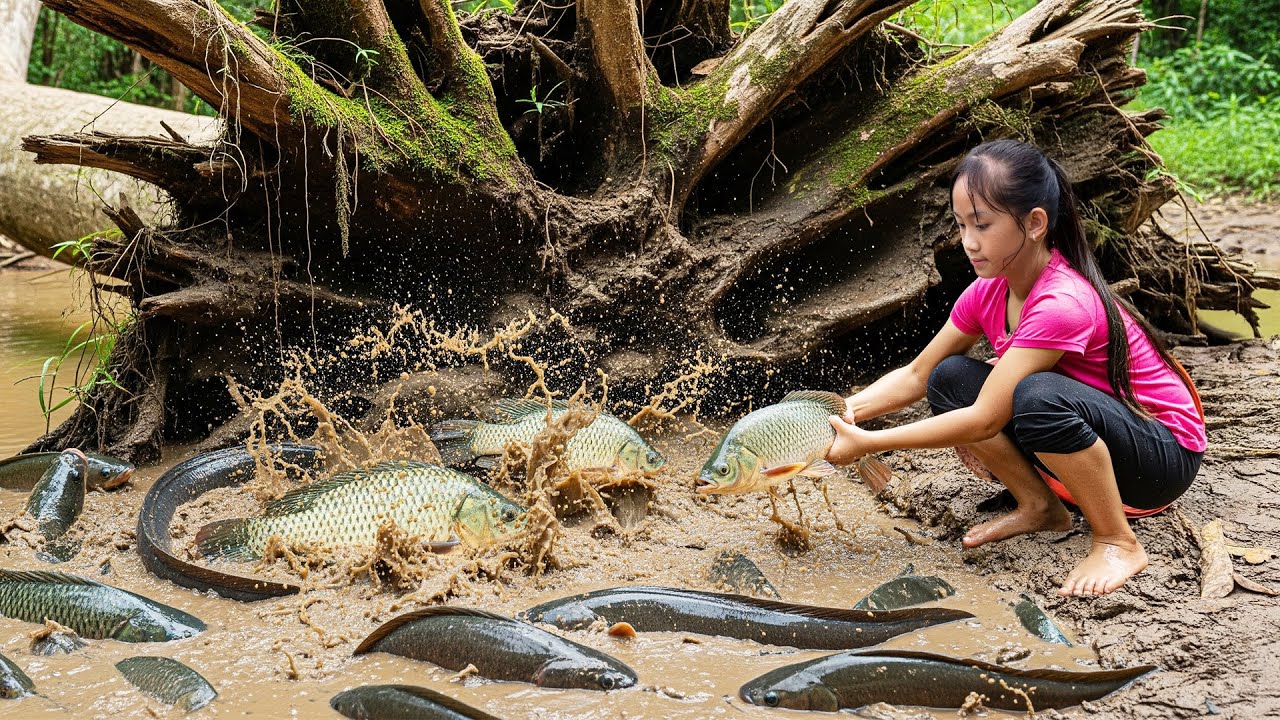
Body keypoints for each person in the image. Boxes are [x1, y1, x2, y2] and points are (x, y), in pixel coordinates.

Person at [826, 139, 1205, 597]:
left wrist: (869, 443)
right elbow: (917, 376)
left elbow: (986, 418)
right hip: (1100, 434)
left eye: (982, 224)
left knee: (1038, 397)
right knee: (950, 376)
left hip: (1162, 456)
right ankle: (1040, 506)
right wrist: (837, 415)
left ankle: (1117, 540)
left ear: (1035, 224)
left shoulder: (1062, 301)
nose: (968, 241)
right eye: (961, 224)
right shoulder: (988, 291)